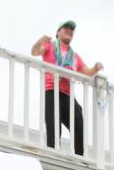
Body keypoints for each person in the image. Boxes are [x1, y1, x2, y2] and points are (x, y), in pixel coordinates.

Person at [31, 21, 104, 155]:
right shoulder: (49, 46)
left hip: (68, 95)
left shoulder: (74, 56)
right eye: (66, 28)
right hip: (52, 90)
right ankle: (53, 154)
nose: (69, 30)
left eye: (72, 30)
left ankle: (80, 158)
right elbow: (34, 51)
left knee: (78, 124)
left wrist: (96, 67)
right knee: (54, 127)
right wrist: (41, 40)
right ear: (58, 32)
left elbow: (87, 72)